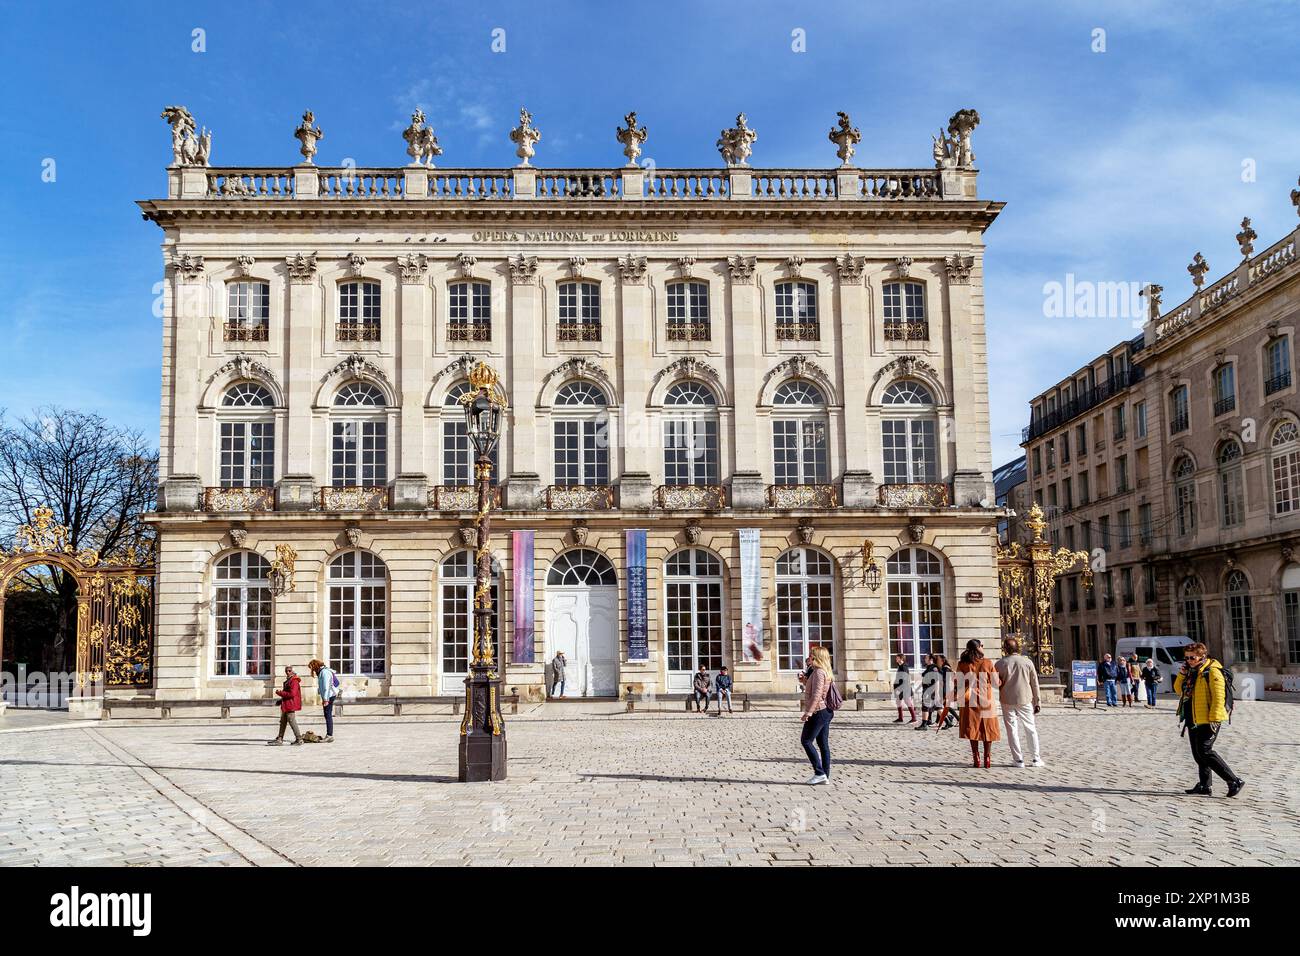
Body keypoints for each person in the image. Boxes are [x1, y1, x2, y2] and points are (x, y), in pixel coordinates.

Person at [1174, 642, 1245, 798]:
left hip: (1209, 718)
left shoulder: (1212, 671)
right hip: (1193, 717)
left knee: (1206, 751)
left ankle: (1234, 781)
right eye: (1186, 658)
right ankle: (1205, 785)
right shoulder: (1192, 671)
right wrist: (1182, 674)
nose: (1189, 660)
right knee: (1198, 754)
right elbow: (1179, 690)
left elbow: (1219, 697)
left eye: (1192, 657)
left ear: (1202, 656)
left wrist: (1214, 717)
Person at [993, 636, 1043, 768]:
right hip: (1025, 698)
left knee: (1012, 730)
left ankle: (1018, 759)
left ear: (1005, 649)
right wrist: (1037, 701)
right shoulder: (1027, 662)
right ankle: (1036, 758)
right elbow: (1034, 683)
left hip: (1007, 699)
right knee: (1030, 728)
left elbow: (995, 683)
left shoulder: (999, 664)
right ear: (1018, 648)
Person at [956, 639, 1001, 768]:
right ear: (977, 648)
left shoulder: (962, 664)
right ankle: (987, 757)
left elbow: (958, 683)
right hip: (985, 699)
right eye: (981, 645)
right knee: (988, 728)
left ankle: (976, 757)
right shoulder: (987, 663)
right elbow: (996, 682)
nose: (983, 647)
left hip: (969, 700)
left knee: (972, 729)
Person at [799, 646, 835, 785]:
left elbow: (817, 694)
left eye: (812, 655)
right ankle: (825, 774)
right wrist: (804, 681)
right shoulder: (820, 671)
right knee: (822, 744)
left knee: (806, 741)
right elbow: (814, 688)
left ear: (817, 657)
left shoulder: (819, 672)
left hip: (819, 711)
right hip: (824, 711)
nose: (810, 657)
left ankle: (819, 773)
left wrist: (808, 712)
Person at [268, 665, 303, 746]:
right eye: (286, 670)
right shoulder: (289, 680)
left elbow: (292, 694)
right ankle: (280, 739)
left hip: (290, 704)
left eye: (289, 670)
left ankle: (299, 739)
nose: (287, 672)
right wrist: (281, 700)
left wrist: (280, 693)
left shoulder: (294, 681)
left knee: (292, 721)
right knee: (283, 722)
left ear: (293, 671)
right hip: (286, 704)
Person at [308, 658, 338, 742]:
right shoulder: (322, 671)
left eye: (312, 668)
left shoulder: (324, 672)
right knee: (327, 714)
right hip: (328, 696)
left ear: (315, 666)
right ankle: (329, 735)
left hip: (329, 696)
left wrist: (325, 699)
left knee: (328, 715)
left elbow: (326, 687)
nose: (312, 670)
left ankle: (329, 735)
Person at [892, 653, 917, 724]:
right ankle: (900, 718)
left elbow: (905, 679)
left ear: (901, 658)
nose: (896, 659)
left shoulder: (904, 667)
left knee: (908, 702)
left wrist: (899, 689)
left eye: (897, 658)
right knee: (898, 702)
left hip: (905, 688)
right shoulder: (900, 666)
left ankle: (914, 718)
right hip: (899, 688)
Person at [934, 654, 957, 730]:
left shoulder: (945, 668)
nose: (937, 660)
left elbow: (944, 680)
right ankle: (950, 719)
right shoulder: (945, 668)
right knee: (944, 706)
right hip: (946, 689)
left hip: (945, 689)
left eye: (938, 659)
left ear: (942, 660)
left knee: (941, 706)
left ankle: (949, 721)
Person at [918, 654, 941, 728]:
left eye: (926, 658)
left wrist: (936, 693)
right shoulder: (929, 667)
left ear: (931, 659)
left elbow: (936, 681)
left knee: (925, 707)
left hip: (930, 691)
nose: (925, 659)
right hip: (927, 690)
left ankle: (924, 725)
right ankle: (948, 720)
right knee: (936, 707)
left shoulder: (934, 668)